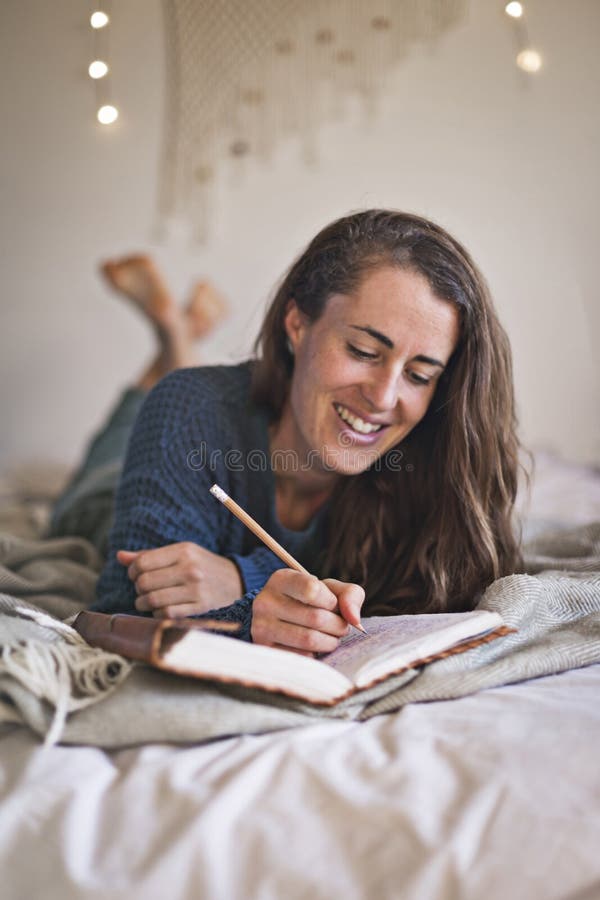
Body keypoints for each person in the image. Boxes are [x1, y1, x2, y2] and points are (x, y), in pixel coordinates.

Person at [49, 210, 523, 655]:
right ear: (296, 325)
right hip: (110, 492)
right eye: (362, 350)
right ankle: (174, 339)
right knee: (110, 459)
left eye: (419, 375)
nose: (383, 398)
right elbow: (118, 609)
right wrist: (251, 609)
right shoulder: (191, 406)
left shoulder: (431, 460)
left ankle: (178, 336)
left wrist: (241, 578)